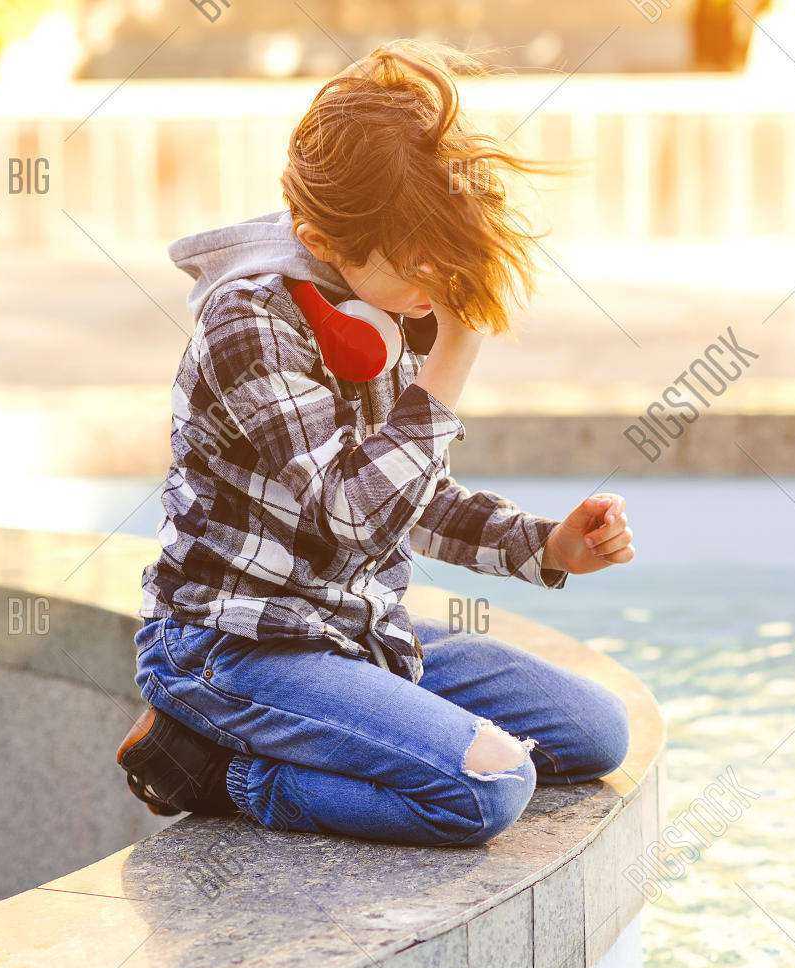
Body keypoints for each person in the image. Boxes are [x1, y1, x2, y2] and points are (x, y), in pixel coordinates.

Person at [117, 41, 635, 847]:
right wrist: (457, 350)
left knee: (596, 732)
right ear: (321, 238)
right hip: (232, 646)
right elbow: (353, 514)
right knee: (489, 787)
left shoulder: (387, 304)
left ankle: (348, 724)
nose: (438, 278)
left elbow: (410, 500)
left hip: (354, 632)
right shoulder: (248, 322)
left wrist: (545, 546)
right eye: (413, 259)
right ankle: (222, 770)